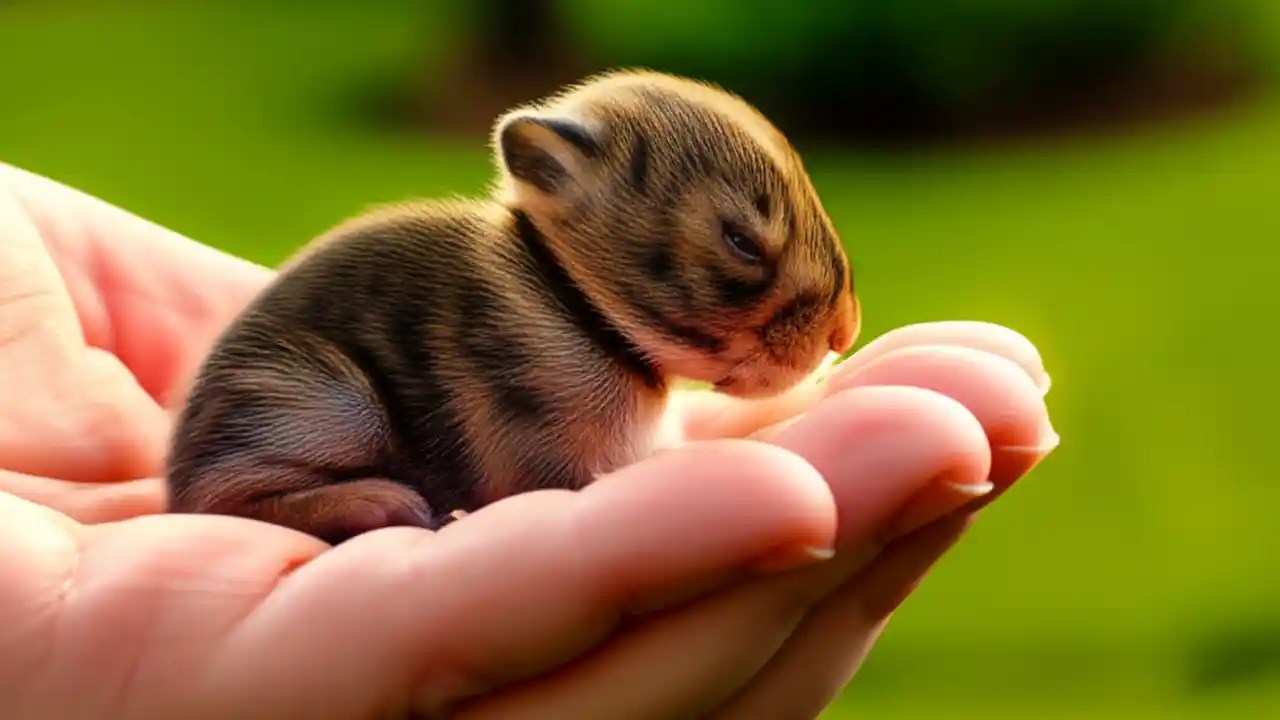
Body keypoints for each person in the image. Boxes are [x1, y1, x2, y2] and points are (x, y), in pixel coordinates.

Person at [0, 161, 1058, 719]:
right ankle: (276, 488)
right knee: (334, 409)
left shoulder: (600, 343)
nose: (835, 326)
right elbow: (534, 460)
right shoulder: (542, 335)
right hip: (296, 408)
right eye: (739, 250)